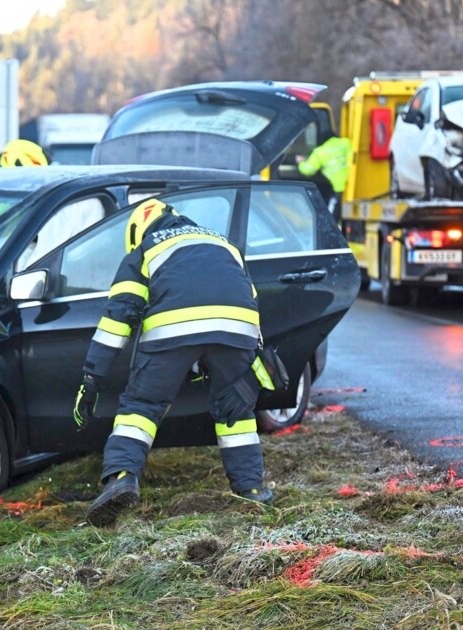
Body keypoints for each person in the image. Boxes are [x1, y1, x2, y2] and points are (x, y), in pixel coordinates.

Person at [73, 198, 276, 527]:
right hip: (237, 327)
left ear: (140, 229)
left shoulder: (145, 250)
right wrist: (250, 351)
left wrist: (92, 377)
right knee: (235, 411)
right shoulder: (223, 243)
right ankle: (251, 489)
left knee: (142, 405)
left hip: (172, 329)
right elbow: (249, 296)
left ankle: (122, 476)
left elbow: (118, 317)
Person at [296, 130, 351, 216]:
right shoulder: (347, 143)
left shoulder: (319, 152)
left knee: (331, 215)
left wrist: (300, 162)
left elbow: (308, 170)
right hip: (353, 186)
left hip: (340, 188)